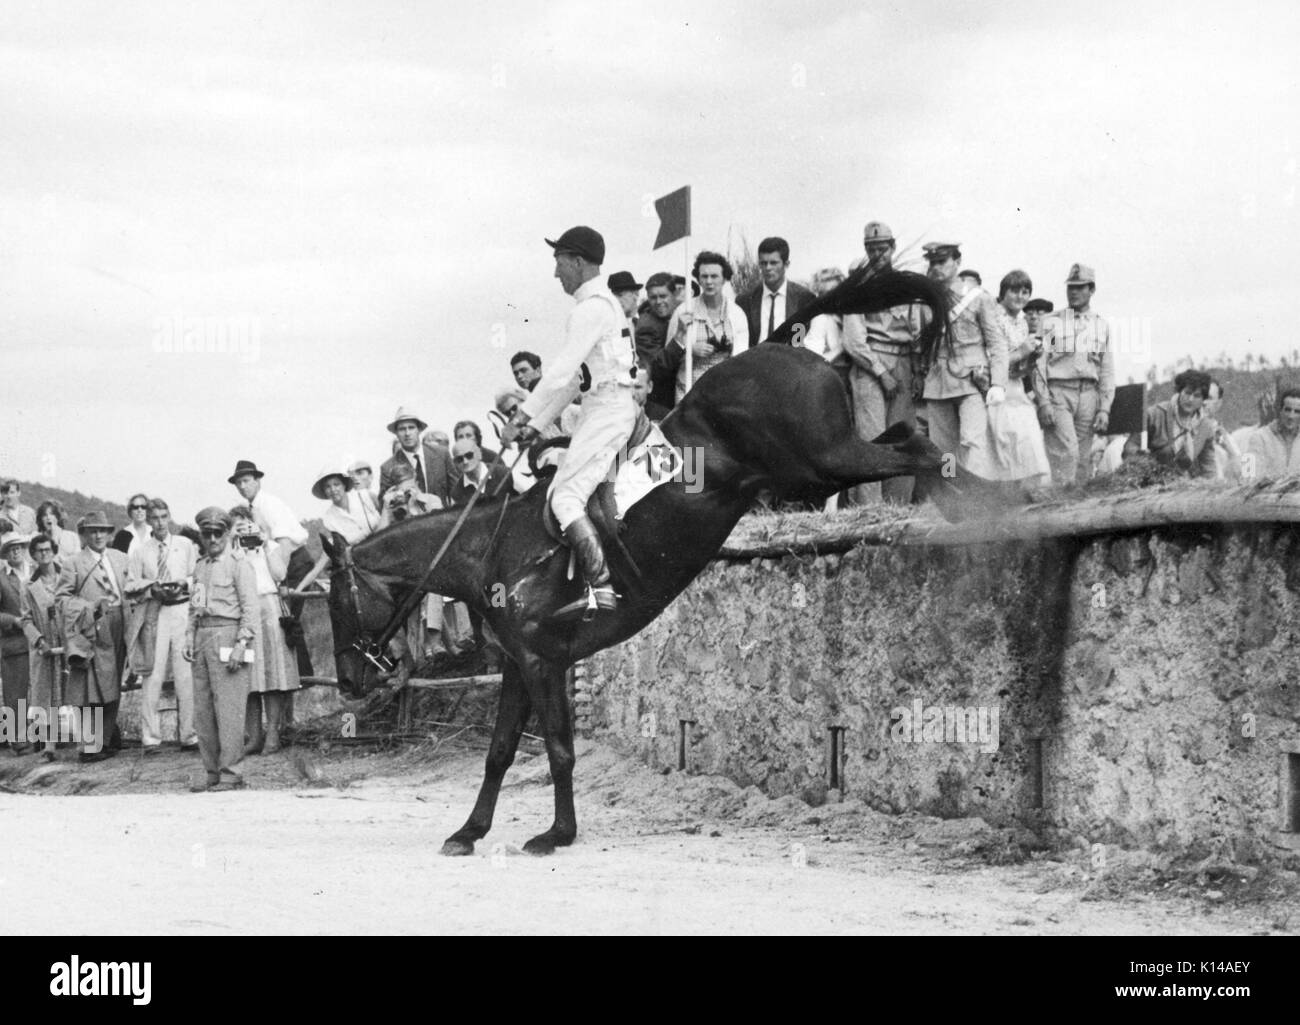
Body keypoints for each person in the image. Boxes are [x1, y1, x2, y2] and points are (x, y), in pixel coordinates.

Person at [500, 225, 638, 619]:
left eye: (559, 262)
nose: (556, 272)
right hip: (601, 405)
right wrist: (535, 424)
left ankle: (601, 586)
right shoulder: (601, 305)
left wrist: (521, 416)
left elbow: (560, 372)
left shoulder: (590, 309)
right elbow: (578, 379)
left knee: (564, 498)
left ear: (577, 261)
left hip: (609, 410)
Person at [842, 222, 930, 503]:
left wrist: (917, 372)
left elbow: (916, 330)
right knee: (874, 439)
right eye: (871, 249)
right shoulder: (858, 287)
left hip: (903, 363)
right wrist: (881, 372)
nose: (877, 255)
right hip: (871, 365)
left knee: (904, 438)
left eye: (882, 248)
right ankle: (869, 510)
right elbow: (854, 341)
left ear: (892, 248)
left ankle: (897, 509)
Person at [917, 242, 1010, 478]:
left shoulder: (977, 297)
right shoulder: (926, 301)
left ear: (957, 262)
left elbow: (996, 343)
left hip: (971, 381)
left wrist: (998, 383)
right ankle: (951, 488)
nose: (936, 267)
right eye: (932, 263)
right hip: (938, 383)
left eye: (942, 261)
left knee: (972, 442)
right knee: (944, 450)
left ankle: (974, 492)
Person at [183, 507, 259, 790]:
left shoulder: (240, 565)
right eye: (207, 534)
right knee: (203, 712)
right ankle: (212, 771)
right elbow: (196, 606)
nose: (213, 539)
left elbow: (250, 609)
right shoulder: (201, 567)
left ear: (227, 534)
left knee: (229, 710)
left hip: (229, 634)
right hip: (202, 637)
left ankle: (231, 772)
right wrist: (189, 636)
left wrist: (241, 643)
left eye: (218, 533)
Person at [125, 498, 198, 753]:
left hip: (182, 609)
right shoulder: (141, 551)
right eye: (154, 518)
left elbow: (198, 576)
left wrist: (185, 584)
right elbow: (130, 586)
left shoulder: (185, 545)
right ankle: (150, 738)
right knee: (152, 674)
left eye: (164, 517)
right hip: (155, 612)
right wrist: (150, 587)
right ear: (148, 520)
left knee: (185, 675)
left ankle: (189, 735)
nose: (160, 523)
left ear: (169, 517)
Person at [229, 459, 314, 677]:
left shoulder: (268, 504)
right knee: (281, 620)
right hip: (274, 561)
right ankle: (287, 674)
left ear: (258, 480)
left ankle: (299, 676)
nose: (242, 486)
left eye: (247, 480)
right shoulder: (251, 508)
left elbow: (284, 542)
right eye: (238, 483)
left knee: (285, 618)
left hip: (293, 562)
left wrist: (279, 581)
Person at [56, 512, 128, 762]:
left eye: (102, 530)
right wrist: (90, 607)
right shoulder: (73, 562)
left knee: (112, 682)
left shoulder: (121, 558)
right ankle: (89, 745)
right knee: (90, 685)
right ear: (84, 535)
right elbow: (61, 599)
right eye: (92, 531)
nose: (98, 535)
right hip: (92, 626)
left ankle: (104, 740)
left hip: (119, 622)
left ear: (109, 534)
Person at [1035, 263, 1115, 485]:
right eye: (1071, 287)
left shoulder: (1101, 325)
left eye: (1080, 287)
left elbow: (1107, 370)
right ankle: (1060, 501)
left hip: (1088, 395)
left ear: (1092, 290)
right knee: (1066, 454)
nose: (1074, 292)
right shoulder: (1051, 322)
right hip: (1059, 393)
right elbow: (1039, 364)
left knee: (1082, 459)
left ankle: (1077, 502)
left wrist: (1105, 408)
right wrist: (1043, 401)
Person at [228, 505, 299, 755]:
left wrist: (264, 543)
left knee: (272, 675)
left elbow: (280, 574)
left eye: (247, 524)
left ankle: (273, 734)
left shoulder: (269, 546)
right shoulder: (230, 550)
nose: (245, 531)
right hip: (241, 611)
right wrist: (233, 541)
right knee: (248, 676)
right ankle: (254, 735)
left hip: (268, 608)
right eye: (238, 526)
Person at [658, 251, 750, 401]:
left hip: (725, 391)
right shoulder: (684, 311)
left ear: (724, 279)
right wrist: (690, 350)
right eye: (704, 276)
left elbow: (742, 358)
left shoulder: (737, 314)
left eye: (714, 276)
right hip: (690, 390)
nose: (709, 281)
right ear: (698, 279)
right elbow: (668, 357)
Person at [990, 270, 1051, 484]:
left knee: (1029, 437)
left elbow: (1020, 368)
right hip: (994, 387)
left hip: (1015, 386)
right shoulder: (993, 318)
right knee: (1004, 443)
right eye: (1014, 291)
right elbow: (990, 361)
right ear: (1003, 293)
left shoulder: (1022, 323)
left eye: (1025, 292)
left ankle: (1029, 490)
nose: (1020, 297)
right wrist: (1021, 352)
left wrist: (1031, 358)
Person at [20, 533, 63, 760]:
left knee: (75, 690)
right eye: (39, 551)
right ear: (34, 555)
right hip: (44, 647)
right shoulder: (28, 586)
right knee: (45, 695)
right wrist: (39, 641)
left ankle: (88, 741)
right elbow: (25, 620)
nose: (44, 554)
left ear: (54, 551)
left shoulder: (68, 577)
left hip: (67, 643)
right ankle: (48, 746)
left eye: (47, 549)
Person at [738, 237, 817, 347]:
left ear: (786, 264)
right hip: (755, 357)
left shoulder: (804, 299)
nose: (768, 268)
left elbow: (808, 341)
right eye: (763, 263)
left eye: (773, 263)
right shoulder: (745, 301)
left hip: (789, 356)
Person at [1144, 370, 1218, 476]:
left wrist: (1213, 485)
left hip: (1184, 482)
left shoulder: (1205, 426)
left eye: (1197, 396)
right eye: (1187, 393)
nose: (1190, 399)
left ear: (1203, 400)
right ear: (1179, 392)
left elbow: (1208, 466)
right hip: (1152, 477)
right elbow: (1132, 448)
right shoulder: (1155, 414)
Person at [379, 407, 454, 509]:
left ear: (419, 430)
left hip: (442, 516)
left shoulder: (441, 454)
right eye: (402, 429)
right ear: (396, 433)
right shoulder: (388, 467)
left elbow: (456, 492)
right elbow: (384, 506)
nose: (407, 433)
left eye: (411, 427)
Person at [0, 534, 34, 755]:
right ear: (5, 554)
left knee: (43, 689)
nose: (16, 551)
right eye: (11, 548)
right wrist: (13, 621)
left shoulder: (36, 572)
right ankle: (18, 739)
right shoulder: (2, 578)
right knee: (16, 692)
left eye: (19, 547)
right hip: (15, 641)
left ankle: (45, 735)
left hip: (40, 640)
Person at [634, 272, 678, 420]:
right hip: (662, 400)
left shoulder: (680, 314)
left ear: (674, 295)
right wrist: (680, 340)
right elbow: (657, 366)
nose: (658, 302)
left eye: (663, 296)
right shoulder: (646, 326)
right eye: (653, 297)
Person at [1245, 386, 1300, 478]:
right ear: (1280, 410)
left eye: (1297, 411)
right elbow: (1247, 473)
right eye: (1287, 410)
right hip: (1266, 487)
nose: (1291, 416)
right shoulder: (1259, 437)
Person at [449, 440, 513, 507]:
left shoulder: (505, 473)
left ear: (479, 454)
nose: (465, 462)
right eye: (459, 459)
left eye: (469, 455)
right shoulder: (457, 493)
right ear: (455, 463)